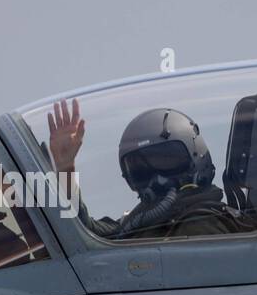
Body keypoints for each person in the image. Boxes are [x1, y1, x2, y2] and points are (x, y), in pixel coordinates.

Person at [47, 99, 245, 239]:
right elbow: (84, 234)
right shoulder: (139, 224)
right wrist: (66, 168)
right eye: (140, 169)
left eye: (165, 160)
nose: (156, 177)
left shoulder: (202, 224)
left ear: (194, 154)